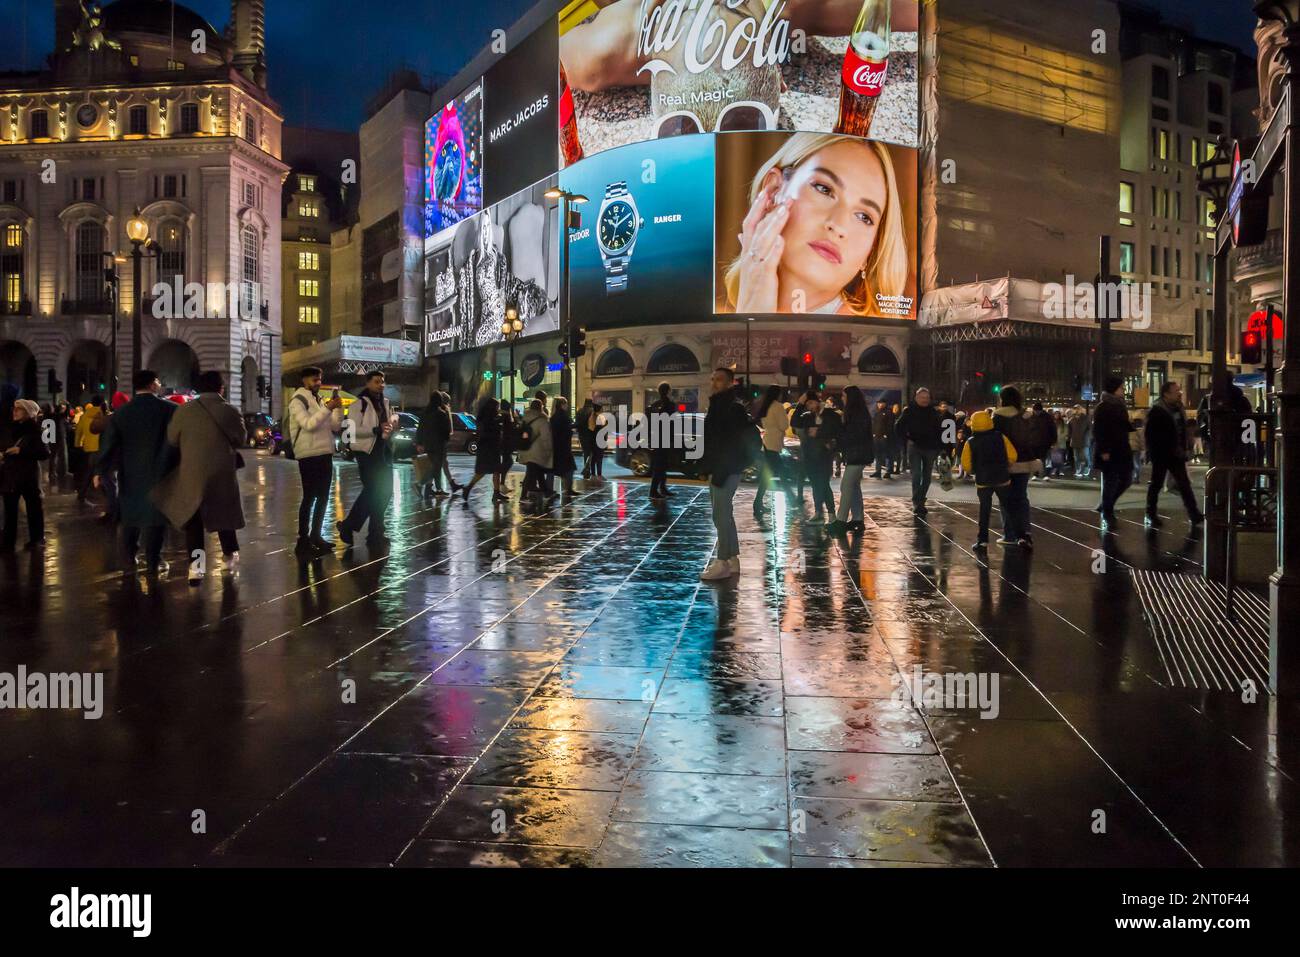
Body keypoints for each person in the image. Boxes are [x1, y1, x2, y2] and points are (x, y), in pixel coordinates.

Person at [722, 133, 910, 317]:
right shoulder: (722, 311)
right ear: (773, 191)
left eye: (864, 217)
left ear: (871, 250)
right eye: (824, 189)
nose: (838, 226)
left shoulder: (870, 340)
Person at [151, 371, 246, 582]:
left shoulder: (184, 411)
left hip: (192, 472)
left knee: (194, 521)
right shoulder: (230, 411)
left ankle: (197, 567)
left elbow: (172, 439)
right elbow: (240, 438)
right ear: (221, 388)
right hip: (222, 472)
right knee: (224, 514)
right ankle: (229, 556)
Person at [94, 370, 177, 573]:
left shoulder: (121, 413)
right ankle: (154, 560)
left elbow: (109, 444)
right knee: (156, 518)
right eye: (157, 381)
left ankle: (130, 558)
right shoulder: (170, 410)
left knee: (130, 516)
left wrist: (100, 470)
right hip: (161, 470)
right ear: (152, 385)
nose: (159, 384)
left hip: (130, 472)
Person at [699, 368, 755, 580]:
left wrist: (720, 470)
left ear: (731, 383)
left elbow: (730, 443)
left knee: (720, 515)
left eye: (719, 380)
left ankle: (722, 561)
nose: (714, 383)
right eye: (712, 379)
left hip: (725, 469)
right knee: (724, 515)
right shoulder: (719, 405)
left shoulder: (730, 408)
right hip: (720, 468)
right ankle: (732, 559)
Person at [338, 370, 397, 547]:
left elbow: (387, 425)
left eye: (383, 382)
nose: (381, 385)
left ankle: (372, 530)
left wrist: (391, 426)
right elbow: (352, 430)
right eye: (377, 381)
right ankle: (360, 528)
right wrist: (375, 430)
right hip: (366, 453)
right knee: (373, 491)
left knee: (385, 492)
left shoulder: (385, 403)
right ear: (368, 383)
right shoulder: (359, 404)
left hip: (384, 451)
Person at [287, 366, 344, 554]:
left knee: (323, 498)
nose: (318, 383)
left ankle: (316, 536)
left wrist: (337, 407)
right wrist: (328, 408)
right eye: (314, 379)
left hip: (325, 453)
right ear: (304, 380)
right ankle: (302, 540)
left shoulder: (318, 400)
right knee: (310, 498)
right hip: (309, 455)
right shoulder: (298, 400)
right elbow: (309, 425)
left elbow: (335, 426)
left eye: (319, 379)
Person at [1144, 381, 1205, 528]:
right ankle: (1150, 513)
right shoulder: (1157, 411)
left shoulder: (1178, 408)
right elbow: (1150, 434)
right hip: (1162, 453)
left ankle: (1194, 513)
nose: (1180, 393)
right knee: (1157, 483)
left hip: (1176, 453)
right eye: (1176, 391)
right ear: (1166, 394)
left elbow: (1182, 430)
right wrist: (1152, 452)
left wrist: (1185, 447)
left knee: (1184, 483)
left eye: (1179, 390)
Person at [960, 409, 1018, 549]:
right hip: (1002, 478)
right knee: (1007, 507)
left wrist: (974, 471)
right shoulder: (1000, 437)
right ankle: (1012, 535)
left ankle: (982, 540)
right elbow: (1012, 455)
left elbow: (966, 464)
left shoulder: (971, 442)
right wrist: (1006, 464)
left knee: (984, 510)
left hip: (983, 480)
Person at [992, 386, 1040, 547]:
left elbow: (995, 441)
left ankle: (1010, 534)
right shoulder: (1026, 416)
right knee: (1021, 497)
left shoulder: (998, 417)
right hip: (1025, 462)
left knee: (1006, 499)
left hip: (1006, 462)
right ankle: (1025, 532)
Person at [1, 399, 47, 551]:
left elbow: (44, 453)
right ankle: (8, 542)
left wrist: (21, 451)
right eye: (14, 408)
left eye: (19, 409)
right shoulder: (10, 428)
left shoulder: (36, 430)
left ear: (28, 413)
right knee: (10, 510)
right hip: (10, 475)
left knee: (33, 508)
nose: (15, 411)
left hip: (28, 476)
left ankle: (37, 539)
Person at [1090, 377, 1133, 534]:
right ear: (1114, 389)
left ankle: (1105, 505)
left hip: (1122, 448)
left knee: (1126, 479)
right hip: (1111, 450)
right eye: (1121, 388)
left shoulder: (1119, 405)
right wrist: (1104, 450)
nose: (1123, 390)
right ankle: (1107, 511)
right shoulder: (1104, 407)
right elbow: (1099, 431)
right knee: (1111, 481)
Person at [828, 385, 873, 534]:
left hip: (857, 454)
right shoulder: (858, 413)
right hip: (856, 454)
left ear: (850, 397)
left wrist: (839, 440)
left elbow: (853, 435)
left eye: (844, 396)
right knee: (853, 486)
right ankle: (858, 519)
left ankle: (841, 520)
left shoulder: (857, 414)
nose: (842, 398)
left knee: (846, 486)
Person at [792, 391, 840, 524]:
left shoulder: (831, 415)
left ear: (818, 401)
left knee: (824, 484)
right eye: (807, 405)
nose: (810, 407)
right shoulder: (807, 416)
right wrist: (800, 404)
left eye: (811, 403)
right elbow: (794, 421)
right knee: (815, 485)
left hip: (824, 456)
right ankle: (819, 512)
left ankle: (831, 514)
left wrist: (819, 432)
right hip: (810, 456)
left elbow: (837, 431)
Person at [894, 387, 943, 516]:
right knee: (916, 475)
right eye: (922, 397)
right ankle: (917, 501)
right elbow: (898, 426)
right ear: (916, 398)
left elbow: (940, 431)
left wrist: (940, 447)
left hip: (931, 447)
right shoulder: (909, 411)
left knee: (927, 477)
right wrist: (905, 439)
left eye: (927, 398)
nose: (924, 400)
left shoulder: (934, 412)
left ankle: (921, 499)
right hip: (915, 446)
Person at [754, 384, 789, 519]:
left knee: (768, 475)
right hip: (774, 444)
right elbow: (784, 425)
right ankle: (793, 499)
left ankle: (758, 503)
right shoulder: (778, 406)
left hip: (767, 442)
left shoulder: (766, 406)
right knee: (779, 473)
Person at [416, 391, 460, 497]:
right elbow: (446, 430)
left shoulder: (425, 413)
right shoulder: (441, 413)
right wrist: (446, 440)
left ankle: (430, 488)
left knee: (434, 467)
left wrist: (419, 442)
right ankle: (424, 486)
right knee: (436, 468)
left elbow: (420, 428)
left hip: (428, 444)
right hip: (439, 445)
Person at [463, 396, 503, 502]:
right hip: (490, 448)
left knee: (486, 471)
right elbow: (492, 432)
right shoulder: (491, 419)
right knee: (493, 471)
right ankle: (495, 493)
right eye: (497, 406)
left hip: (484, 448)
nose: (498, 409)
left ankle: (495, 492)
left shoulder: (482, 418)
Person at [518, 398, 553, 510]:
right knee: (531, 474)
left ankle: (547, 494)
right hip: (536, 451)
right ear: (541, 407)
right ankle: (523, 496)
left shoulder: (524, 418)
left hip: (525, 448)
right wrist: (549, 450)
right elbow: (546, 438)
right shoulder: (542, 420)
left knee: (537, 472)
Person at [74, 395, 105, 503]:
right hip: (102, 447)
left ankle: (82, 493)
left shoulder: (85, 415)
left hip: (89, 447)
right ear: (102, 403)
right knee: (102, 471)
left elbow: (78, 431)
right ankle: (107, 496)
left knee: (90, 471)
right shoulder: (103, 414)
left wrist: (78, 444)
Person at [648, 382, 675, 501]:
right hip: (665, 437)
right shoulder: (670, 405)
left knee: (660, 464)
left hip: (656, 437)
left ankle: (662, 488)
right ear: (668, 391)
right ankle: (654, 490)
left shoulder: (654, 405)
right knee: (661, 465)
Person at [549, 396, 578, 497]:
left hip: (555, 446)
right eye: (566, 404)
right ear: (562, 405)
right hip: (564, 446)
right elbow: (566, 429)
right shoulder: (564, 416)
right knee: (569, 468)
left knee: (553, 469)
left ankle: (550, 489)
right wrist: (573, 427)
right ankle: (568, 489)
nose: (567, 406)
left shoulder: (553, 417)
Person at [1028, 401, 1057, 483]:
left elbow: (1052, 429)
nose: (1036, 412)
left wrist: (1053, 441)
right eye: (1035, 411)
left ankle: (1046, 475)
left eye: (1038, 411)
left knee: (1045, 459)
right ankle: (1035, 474)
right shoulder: (1031, 417)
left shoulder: (1047, 417)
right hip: (1033, 442)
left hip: (1045, 442)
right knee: (1035, 459)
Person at [871, 399, 894, 480]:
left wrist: (886, 434)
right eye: (878, 403)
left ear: (885, 404)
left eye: (881, 403)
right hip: (876, 436)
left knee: (886, 454)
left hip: (884, 437)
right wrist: (873, 434)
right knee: (878, 454)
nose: (880, 405)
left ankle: (888, 471)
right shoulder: (876, 413)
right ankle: (878, 471)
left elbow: (890, 424)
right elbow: (873, 424)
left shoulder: (888, 412)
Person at [577, 398, 596, 479]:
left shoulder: (579, 411)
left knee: (586, 452)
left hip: (582, 435)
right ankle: (588, 470)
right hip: (590, 435)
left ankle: (586, 469)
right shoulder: (592, 411)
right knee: (591, 453)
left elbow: (577, 423)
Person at [1068, 405, 1090, 478]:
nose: (1076, 411)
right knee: (1076, 457)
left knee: (1085, 456)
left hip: (1084, 441)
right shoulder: (1072, 419)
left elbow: (1090, 429)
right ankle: (1078, 470)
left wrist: (1088, 437)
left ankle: (1087, 468)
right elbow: (1070, 430)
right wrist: (1070, 437)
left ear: (1081, 410)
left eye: (1078, 409)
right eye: (1075, 409)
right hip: (1075, 441)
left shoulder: (1086, 418)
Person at [588, 402, 607, 478]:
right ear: (599, 409)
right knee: (599, 458)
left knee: (594, 458)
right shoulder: (600, 418)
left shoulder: (591, 417)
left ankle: (593, 473)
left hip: (593, 440)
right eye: (601, 409)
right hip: (600, 440)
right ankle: (599, 473)